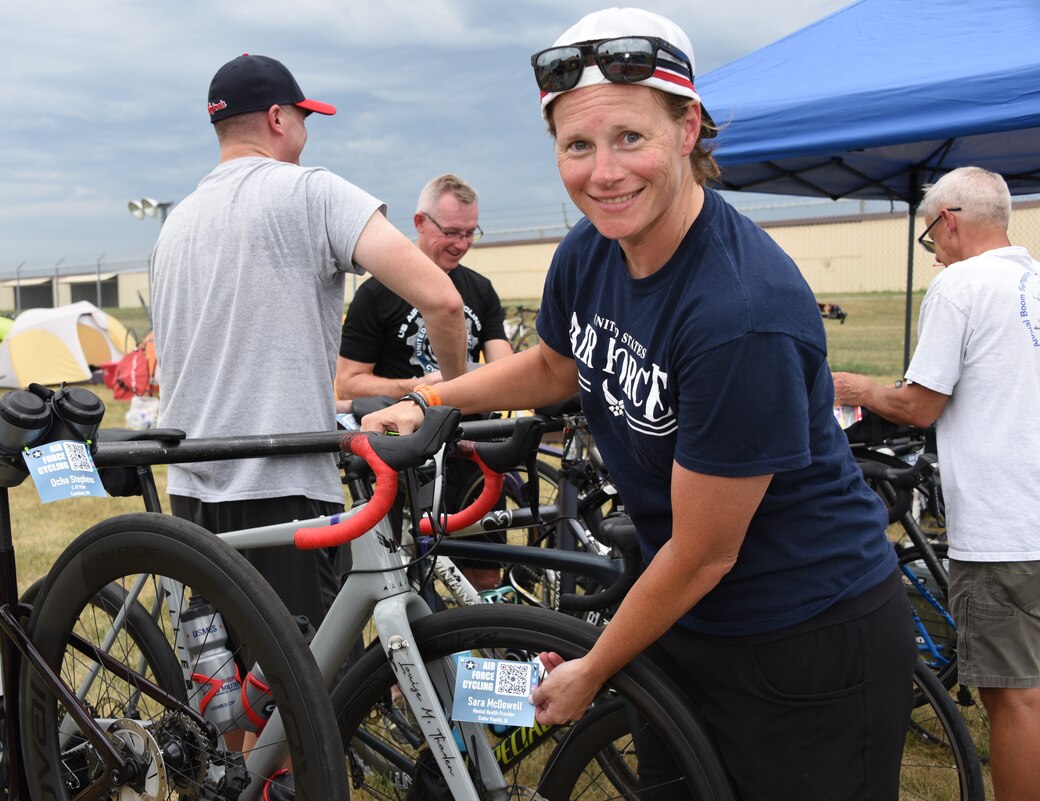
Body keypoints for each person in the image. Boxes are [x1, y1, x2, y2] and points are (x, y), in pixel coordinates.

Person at [363, 8, 915, 798]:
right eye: (577, 146)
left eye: (630, 138)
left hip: (803, 634)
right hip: (685, 618)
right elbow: (555, 364)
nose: (603, 172)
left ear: (689, 128)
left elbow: (705, 550)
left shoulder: (738, 311)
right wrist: (431, 400)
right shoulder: (592, 249)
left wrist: (595, 663)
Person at [151, 54, 467, 639]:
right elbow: (443, 301)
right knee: (306, 693)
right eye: (304, 117)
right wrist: (458, 396)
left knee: (233, 686)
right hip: (280, 479)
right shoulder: (310, 191)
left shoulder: (177, 222)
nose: (307, 131)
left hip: (191, 483)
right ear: (277, 118)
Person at [834, 166, 1040, 800]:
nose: (934, 254)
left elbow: (921, 406)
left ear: (948, 220)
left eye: (931, 239)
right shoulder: (1032, 276)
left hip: (1003, 526)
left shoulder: (960, 286)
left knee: (1016, 699)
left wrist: (858, 388)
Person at [336, 173, 511, 591]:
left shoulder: (480, 289)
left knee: (486, 568)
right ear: (419, 221)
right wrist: (415, 388)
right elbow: (347, 382)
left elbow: (502, 361)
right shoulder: (376, 294)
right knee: (398, 575)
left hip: (470, 444)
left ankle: (492, 644)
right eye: (451, 232)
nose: (462, 243)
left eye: (471, 233)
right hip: (402, 449)